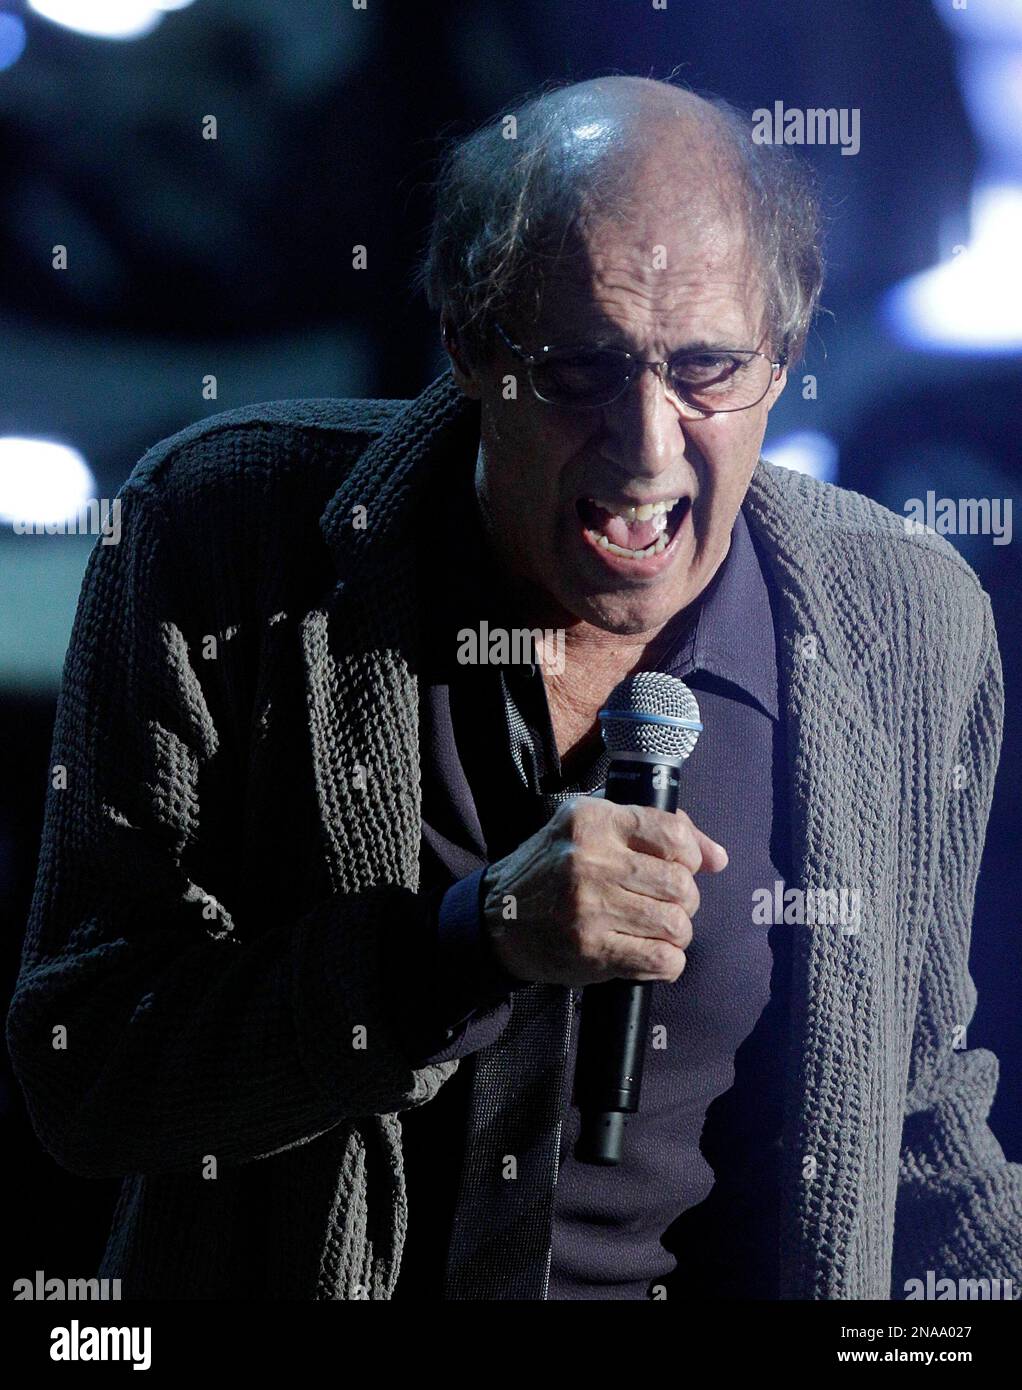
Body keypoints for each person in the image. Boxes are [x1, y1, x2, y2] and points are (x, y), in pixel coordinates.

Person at [7, 75, 1020, 1301]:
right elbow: (89, 1066)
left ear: (783, 356)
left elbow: (914, 1128)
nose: (646, 446)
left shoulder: (910, 626)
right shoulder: (217, 541)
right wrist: (465, 944)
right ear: (472, 343)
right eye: (583, 371)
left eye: (705, 368)